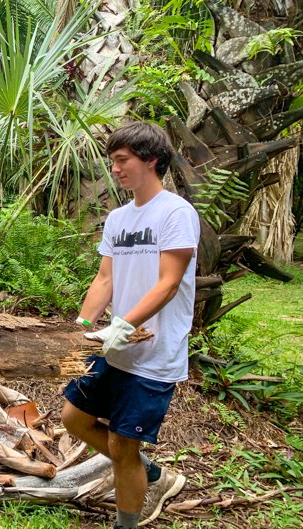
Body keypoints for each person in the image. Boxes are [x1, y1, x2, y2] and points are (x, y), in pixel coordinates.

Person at [61, 122, 198, 529]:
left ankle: (127, 521)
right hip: (113, 346)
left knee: (122, 444)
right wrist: (83, 325)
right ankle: (149, 473)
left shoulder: (176, 212)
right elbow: (105, 279)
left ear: (151, 159)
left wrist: (122, 326)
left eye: (123, 160)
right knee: (74, 418)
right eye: (113, 161)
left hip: (154, 353)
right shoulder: (118, 218)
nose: (116, 169)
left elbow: (169, 283)